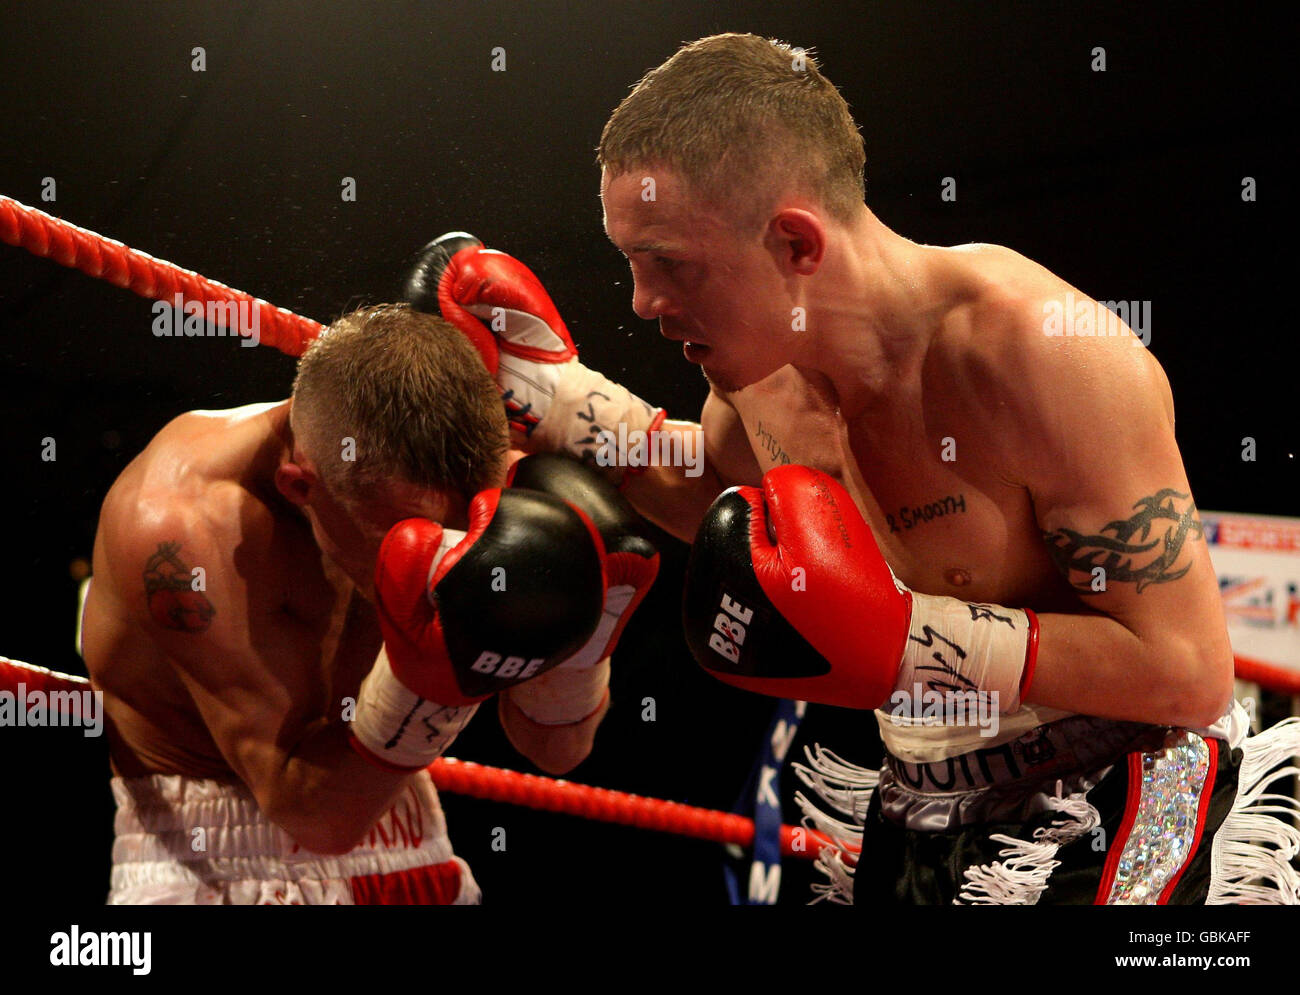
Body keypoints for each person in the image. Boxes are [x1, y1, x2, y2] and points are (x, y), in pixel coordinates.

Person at [424, 34, 1300, 904]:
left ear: (797, 243)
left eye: (669, 265)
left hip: (1121, 792)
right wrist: (553, 397)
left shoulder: (1032, 353)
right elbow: (722, 505)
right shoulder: (760, 377)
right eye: (631, 262)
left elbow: (1187, 671)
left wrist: (911, 634)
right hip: (920, 806)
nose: (643, 301)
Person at [81, 301, 652, 905]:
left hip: (409, 830)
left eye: (464, 537)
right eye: (403, 538)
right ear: (300, 487)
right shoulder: (186, 529)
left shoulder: (447, 472)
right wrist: (432, 686)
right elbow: (315, 819)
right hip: (223, 863)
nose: (441, 562)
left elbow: (558, 750)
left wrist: (588, 637)